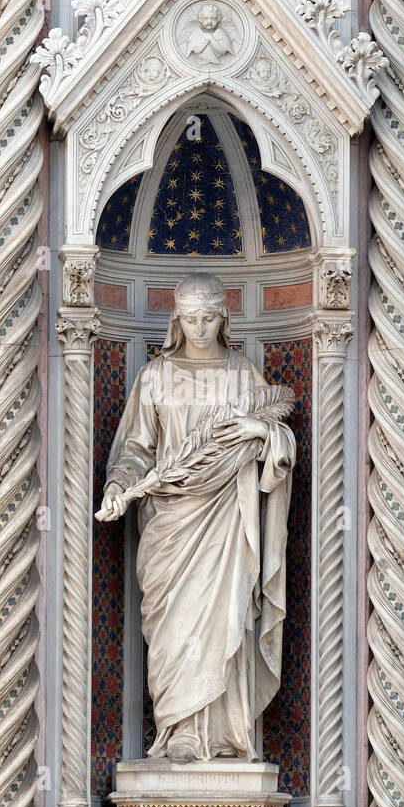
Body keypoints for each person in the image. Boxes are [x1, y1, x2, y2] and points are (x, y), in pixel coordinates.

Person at [96, 272, 296, 763]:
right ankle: (177, 729)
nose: (201, 328)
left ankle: (225, 735)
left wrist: (261, 432)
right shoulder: (156, 376)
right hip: (170, 521)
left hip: (227, 515)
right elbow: (137, 448)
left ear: (224, 317)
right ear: (176, 320)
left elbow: (277, 444)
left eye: (209, 318)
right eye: (191, 319)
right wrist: (121, 486)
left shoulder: (243, 375)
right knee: (175, 626)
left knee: (226, 618)